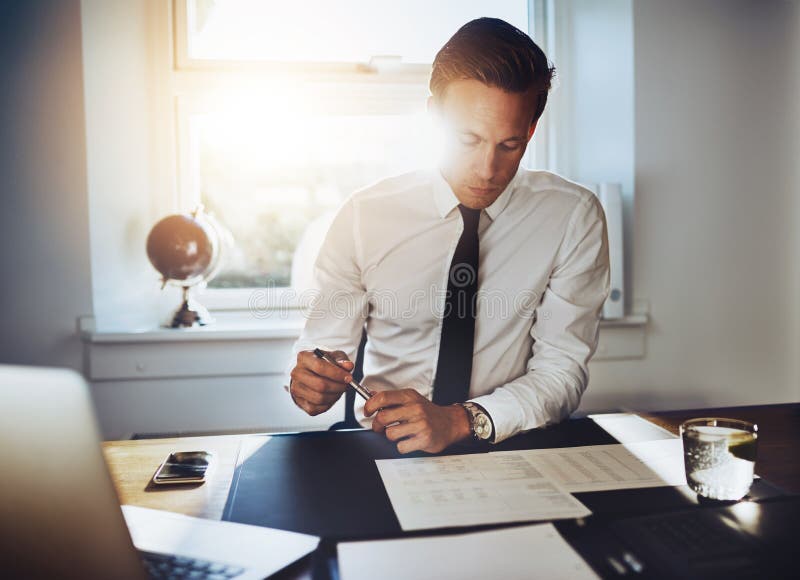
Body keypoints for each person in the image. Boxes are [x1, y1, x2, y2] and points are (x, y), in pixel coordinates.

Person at [286, 17, 610, 454]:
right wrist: (312, 383)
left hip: (509, 443)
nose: (487, 169)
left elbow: (562, 371)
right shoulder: (365, 215)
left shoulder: (573, 216)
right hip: (383, 449)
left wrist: (460, 420)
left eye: (509, 145)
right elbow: (325, 345)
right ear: (434, 116)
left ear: (531, 130)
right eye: (468, 139)